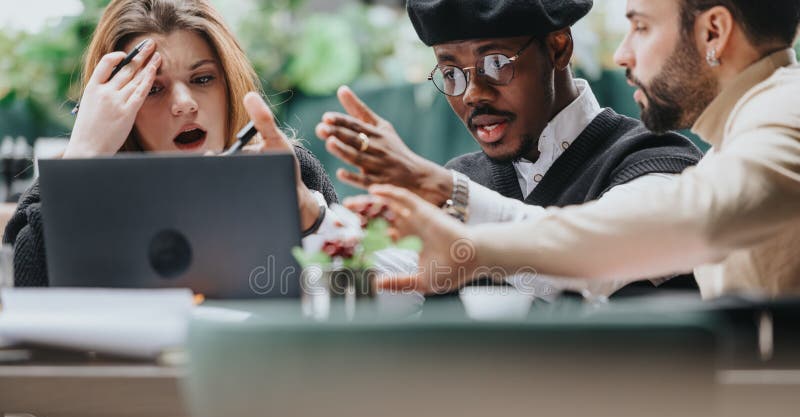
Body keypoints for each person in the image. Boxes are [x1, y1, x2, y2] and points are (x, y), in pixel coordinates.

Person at [370, 0, 800, 299]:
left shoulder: (786, 108)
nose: (623, 53)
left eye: (641, 26)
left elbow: (683, 223)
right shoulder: (739, 135)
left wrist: (469, 229)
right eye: (451, 72)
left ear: (713, 31)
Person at [316, 0, 703, 299]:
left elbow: (598, 258)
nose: (473, 94)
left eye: (496, 63)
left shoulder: (660, 165)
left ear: (558, 48)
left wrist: (450, 192)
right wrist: (305, 211)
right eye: (450, 73)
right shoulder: (461, 178)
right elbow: (390, 280)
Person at [3, 0, 338, 287]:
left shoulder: (291, 171)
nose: (184, 103)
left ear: (229, 86)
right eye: (153, 88)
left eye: (203, 78)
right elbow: (27, 290)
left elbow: (355, 296)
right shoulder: (64, 189)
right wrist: (83, 158)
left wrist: (310, 218)